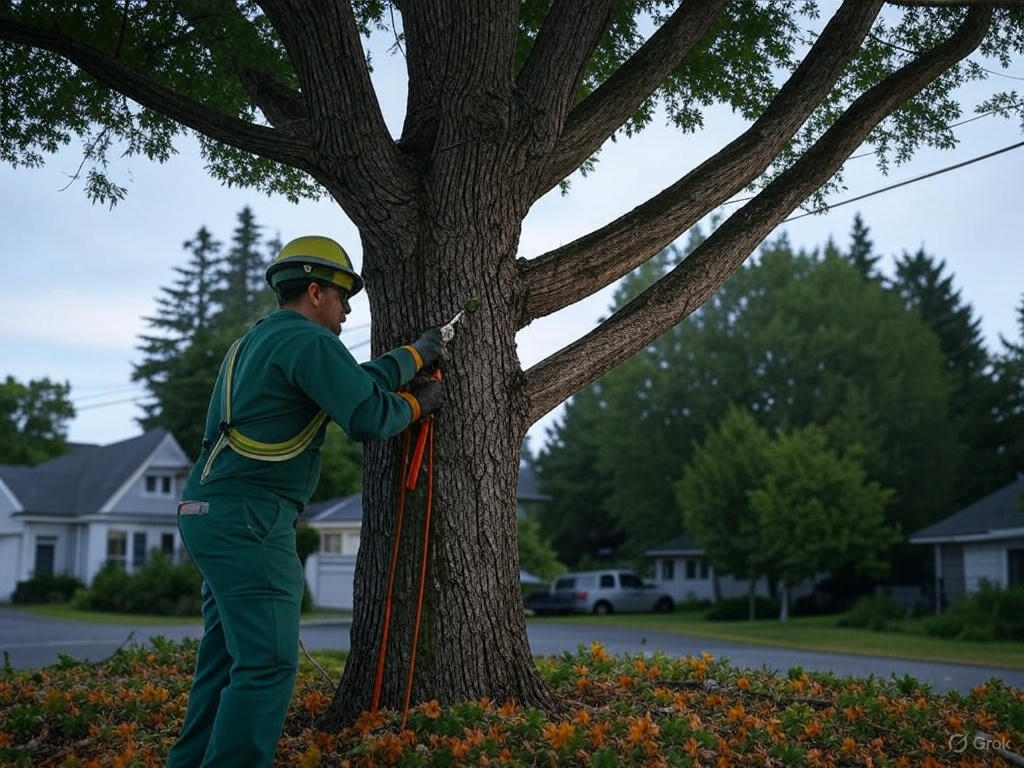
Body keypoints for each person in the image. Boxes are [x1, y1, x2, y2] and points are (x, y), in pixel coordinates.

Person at [165, 235, 444, 768]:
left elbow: (353, 384)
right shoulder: (308, 342)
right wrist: (416, 403)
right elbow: (367, 415)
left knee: (225, 660)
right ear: (316, 292)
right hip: (251, 517)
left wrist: (414, 356)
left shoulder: (258, 341)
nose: (346, 312)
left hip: (209, 511)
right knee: (267, 663)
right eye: (343, 299)